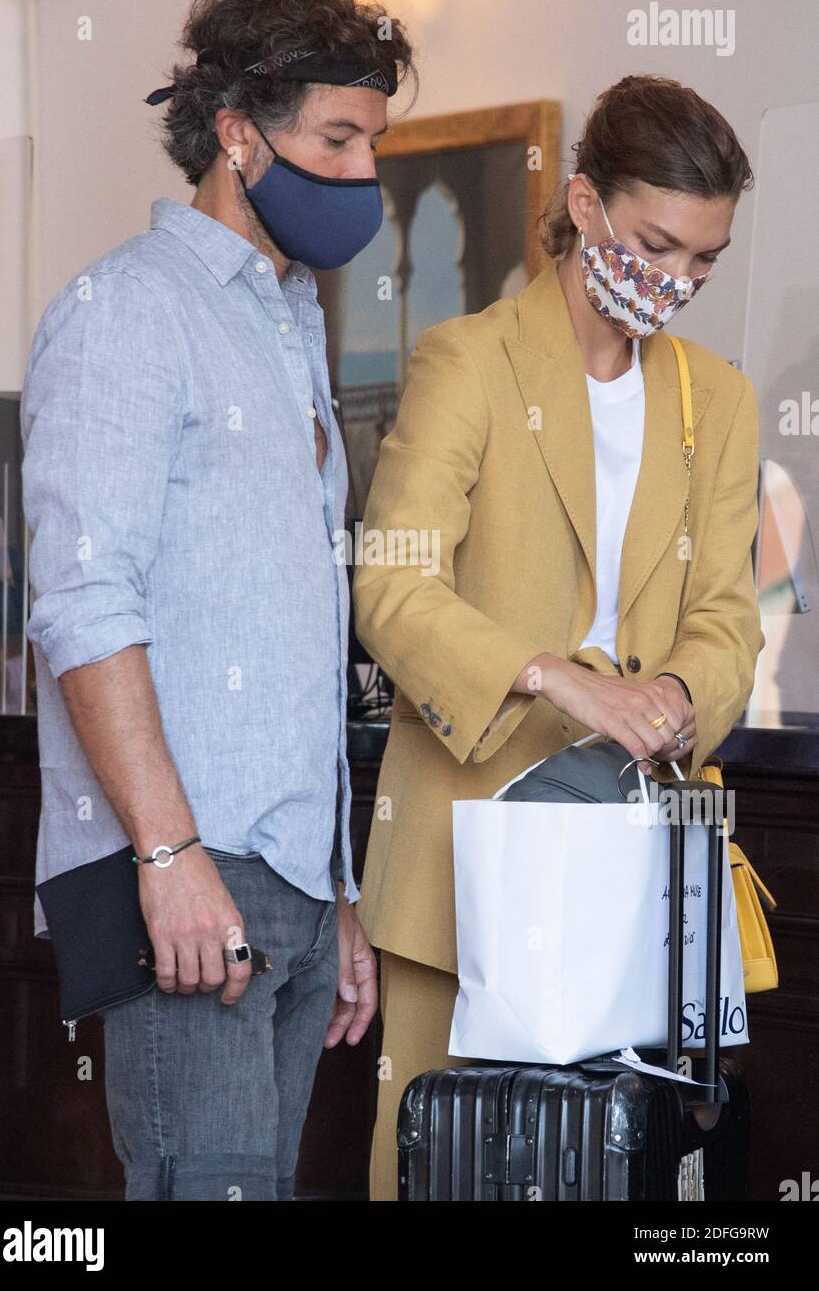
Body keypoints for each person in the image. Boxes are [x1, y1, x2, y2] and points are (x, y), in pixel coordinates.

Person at [21, 0, 416, 1201]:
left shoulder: (287, 317)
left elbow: (286, 624)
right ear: (237, 131)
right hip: (181, 871)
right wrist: (169, 852)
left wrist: (339, 896)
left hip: (292, 881)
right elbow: (85, 606)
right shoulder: (127, 308)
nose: (360, 176)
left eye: (373, 145)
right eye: (333, 140)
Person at [352, 74, 766, 1201]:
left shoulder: (719, 402)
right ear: (582, 205)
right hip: (462, 857)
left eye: (703, 260)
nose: (675, 281)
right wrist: (555, 680)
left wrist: (679, 691)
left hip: (639, 872)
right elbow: (389, 589)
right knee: (450, 1168)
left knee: (621, 1176)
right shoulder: (466, 362)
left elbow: (726, 614)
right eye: (655, 243)